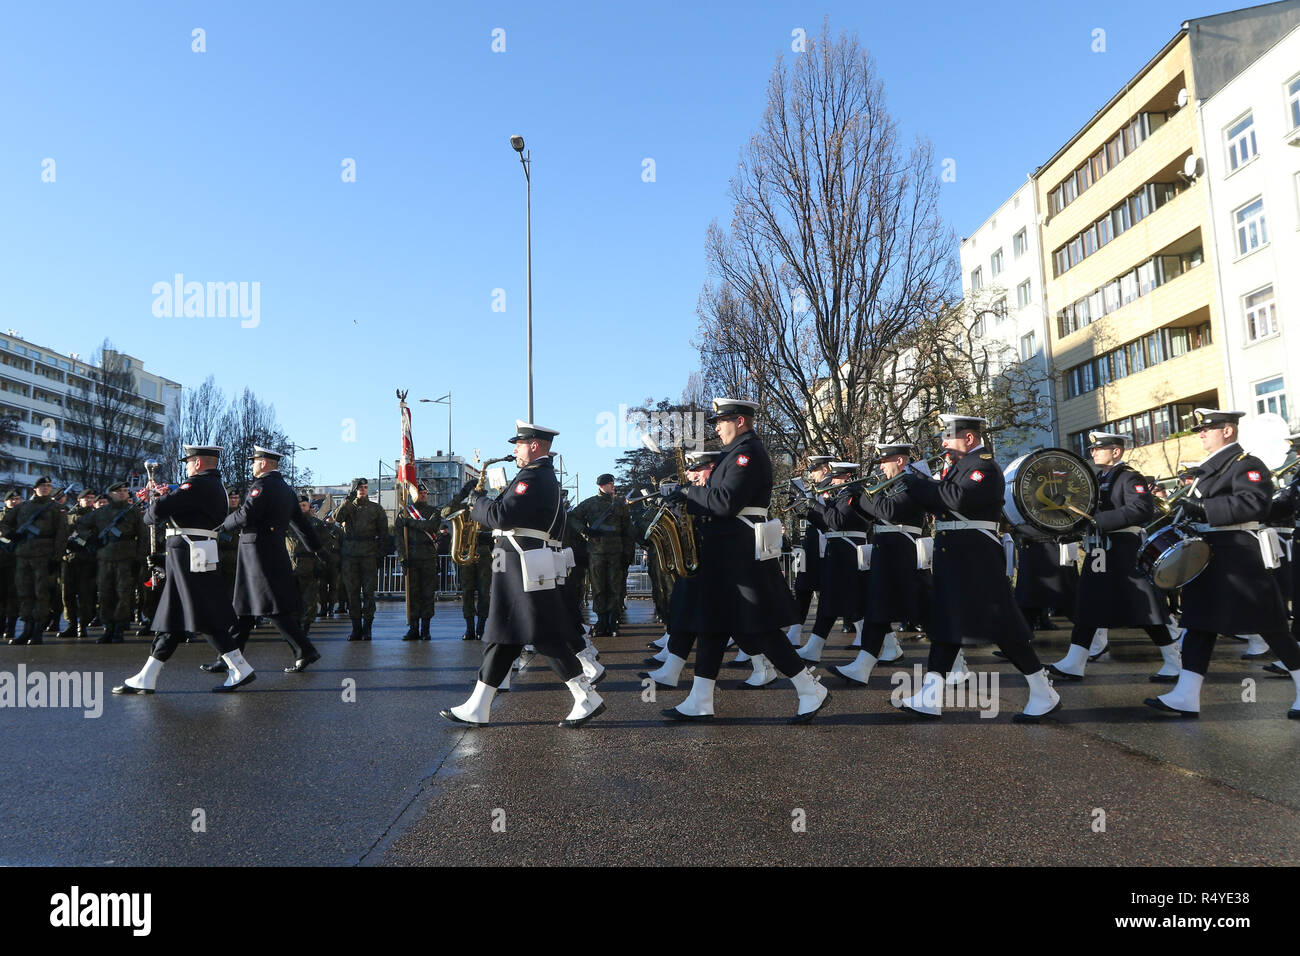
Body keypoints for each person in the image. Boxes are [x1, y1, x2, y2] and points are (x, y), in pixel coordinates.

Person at [661, 398, 829, 723]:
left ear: (739, 421)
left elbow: (726, 502)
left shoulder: (746, 453)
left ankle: (810, 689)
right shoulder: (731, 454)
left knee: (761, 628)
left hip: (739, 552)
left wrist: (687, 493)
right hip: (726, 553)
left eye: (720, 422)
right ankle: (700, 699)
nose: (716, 428)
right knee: (711, 626)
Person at [895, 414, 1060, 722]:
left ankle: (1043, 691)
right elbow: (942, 503)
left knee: (1003, 626)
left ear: (968, 439)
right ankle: (929, 697)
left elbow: (957, 499)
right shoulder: (958, 468)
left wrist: (920, 484)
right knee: (946, 626)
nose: (943, 443)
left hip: (976, 558)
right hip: (956, 557)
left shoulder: (984, 466)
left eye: (948, 437)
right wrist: (920, 486)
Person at [441, 420, 604, 728]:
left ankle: (585, 695)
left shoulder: (532, 477)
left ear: (533, 445)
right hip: (522, 562)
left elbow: (501, 515)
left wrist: (477, 503)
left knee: (537, 632)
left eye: (518, 444)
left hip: (520, 563)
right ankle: (478, 705)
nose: (514, 450)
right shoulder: (543, 477)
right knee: (507, 633)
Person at [1147, 409, 1300, 718]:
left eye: (1209, 429)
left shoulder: (1246, 465)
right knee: (1199, 625)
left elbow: (1255, 503)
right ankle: (1186, 695)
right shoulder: (1210, 470)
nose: (1201, 434)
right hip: (1209, 555)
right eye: (1201, 430)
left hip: (1238, 555)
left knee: (1270, 627)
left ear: (1227, 431)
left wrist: (1204, 507)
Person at [112, 446, 253, 694]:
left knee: (202, 613)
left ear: (197, 463)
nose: (186, 466)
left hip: (190, 554)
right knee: (174, 617)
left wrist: (154, 500)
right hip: (193, 552)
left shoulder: (196, 485)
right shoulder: (212, 485)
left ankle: (239, 667)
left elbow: (152, 515)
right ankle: (148, 675)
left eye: (188, 462)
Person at [1048, 432, 1181, 683]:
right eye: (1092, 449)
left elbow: (1142, 509)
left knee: (1144, 607)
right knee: (1088, 602)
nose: (1093, 453)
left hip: (1123, 548)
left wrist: (1103, 520)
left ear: (1116, 452)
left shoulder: (1129, 477)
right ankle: (1075, 662)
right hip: (1100, 549)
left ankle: (1174, 661)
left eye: (1099, 449)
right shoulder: (1098, 478)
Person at [208, 447, 323, 674]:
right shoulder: (286, 490)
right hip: (270, 551)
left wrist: (223, 527)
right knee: (243, 609)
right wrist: (317, 548)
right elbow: (302, 525)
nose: (252, 466)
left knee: (270, 607)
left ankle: (305, 649)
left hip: (256, 554)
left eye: (254, 462)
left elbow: (246, 514)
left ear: (263, 463)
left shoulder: (261, 487)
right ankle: (229, 658)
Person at [828, 443, 928, 685]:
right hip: (887, 553)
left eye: (886, 461)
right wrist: (854, 496)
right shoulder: (892, 484)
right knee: (877, 612)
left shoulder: (911, 483)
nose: (881, 467)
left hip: (904, 552)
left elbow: (888, 510)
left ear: (901, 461)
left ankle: (956, 665)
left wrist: (863, 495)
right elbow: (871, 514)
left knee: (925, 612)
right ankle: (862, 668)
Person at [795, 462, 869, 664]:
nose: (831, 482)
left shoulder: (853, 494)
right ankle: (813, 648)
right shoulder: (842, 496)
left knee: (854, 603)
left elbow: (836, 521)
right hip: (838, 551)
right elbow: (826, 524)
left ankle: (889, 646)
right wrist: (807, 508)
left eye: (835, 478)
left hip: (848, 552)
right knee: (836, 603)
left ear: (846, 477)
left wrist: (816, 505)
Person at [1, 476, 68, 644]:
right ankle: (27, 629)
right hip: (23, 555)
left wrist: (56, 557)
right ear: (35, 489)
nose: (46, 488)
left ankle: (38, 630)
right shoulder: (23, 507)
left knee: (41, 593)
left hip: (44, 556)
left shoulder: (56, 508)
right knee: (24, 593)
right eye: (42, 486)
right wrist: (11, 535)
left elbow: (62, 535)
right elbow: (5, 522)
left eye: (48, 486)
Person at [75, 481, 142, 645]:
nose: (123, 493)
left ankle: (119, 629)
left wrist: (139, 559)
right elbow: (80, 525)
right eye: (119, 491)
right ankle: (108, 628)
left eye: (125, 491)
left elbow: (143, 537)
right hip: (104, 558)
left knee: (123, 595)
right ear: (110, 494)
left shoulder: (133, 512)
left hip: (126, 559)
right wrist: (90, 540)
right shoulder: (101, 512)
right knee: (105, 595)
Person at [569, 473, 632, 637]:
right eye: (609, 484)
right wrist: (585, 530)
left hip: (616, 552)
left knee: (615, 587)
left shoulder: (620, 504)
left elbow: (628, 530)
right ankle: (601, 620)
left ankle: (612, 620)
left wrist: (628, 553)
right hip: (596, 552)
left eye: (613, 483)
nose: (612, 486)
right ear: (601, 485)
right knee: (598, 587)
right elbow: (573, 517)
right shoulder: (590, 503)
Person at [332, 477, 388, 640]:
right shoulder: (349, 506)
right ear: (354, 489)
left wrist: (381, 555)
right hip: (350, 556)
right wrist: (348, 498)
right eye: (359, 487)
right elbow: (337, 517)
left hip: (369, 555)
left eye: (364, 487)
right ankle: (356, 628)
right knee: (352, 594)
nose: (363, 489)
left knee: (369, 594)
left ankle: (367, 628)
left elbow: (384, 534)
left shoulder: (376, 508)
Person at [788, 456, 834, 645]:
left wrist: (804, 500)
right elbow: (807, 513)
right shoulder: (817, 488)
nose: (812, 474)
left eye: (814, 470)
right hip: (812, 545)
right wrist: (797, 501)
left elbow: (824, 517)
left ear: (824, 469)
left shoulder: (829, 487)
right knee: (803, 588)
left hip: (822, 545)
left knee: (830, 593)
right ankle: (794, 632)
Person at [395, 482, 441, 640]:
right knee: (412, 594)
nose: (423, 495)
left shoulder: (433, 512)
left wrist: (411, 523)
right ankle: (413, 628)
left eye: (425, 493)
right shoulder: (404, 513)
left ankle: (426, 629)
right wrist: (402, 557)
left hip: (428, 557)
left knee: (427, 594)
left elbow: (431, 526)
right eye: (420, 493)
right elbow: (399, 538)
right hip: (412, 557)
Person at [60, 488, 99, 639]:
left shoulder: (97, 516)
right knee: (67, 594)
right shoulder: (68, 516)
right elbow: (61, 534)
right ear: (79, 499)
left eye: (91, 497)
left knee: (86, 595)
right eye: (86, 498)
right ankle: (71, 624)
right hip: (69, 560)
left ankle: (82, 625)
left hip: (88, 561)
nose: (89, 500)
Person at [287, 493, 325, 639]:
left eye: (304, 505)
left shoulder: (316, 524)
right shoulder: (287, 523)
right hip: (291, 566)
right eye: (298, 506)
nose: (301, 508)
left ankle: (305, 628)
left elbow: (324, 546)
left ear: (308, 506)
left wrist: (320, 565)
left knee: (309, 600)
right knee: (292, 601)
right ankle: (295, 629)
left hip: (310, 565)